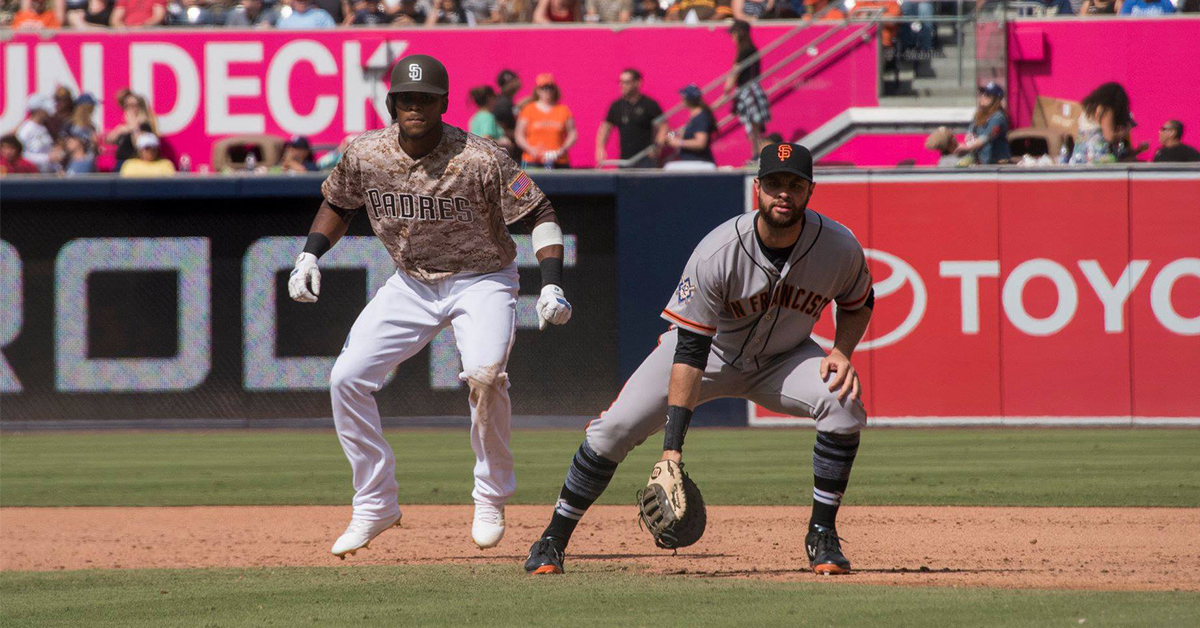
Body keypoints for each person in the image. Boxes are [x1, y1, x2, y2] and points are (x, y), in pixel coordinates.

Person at [524, 142, 874, 576]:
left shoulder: (838, 247)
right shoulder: (718, 251)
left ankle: (822, 535)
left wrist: (842, 351)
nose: (784, 193)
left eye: (795, 184)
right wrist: (672, 451)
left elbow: (859, 301)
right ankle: (552, 540)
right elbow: (690, 351)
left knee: (842, 402)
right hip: (707, 354)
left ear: (810, 191)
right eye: (775, 183)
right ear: (758, 189)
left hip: (784, 359)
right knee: (613, 430)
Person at [289, 54, 572, 559]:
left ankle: (490, 495)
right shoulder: (365, 153)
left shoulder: (482, 157)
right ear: (391, 103)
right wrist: (310, 253)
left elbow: (539, 211)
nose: (414, 107)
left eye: (425, 98)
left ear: (443, 103)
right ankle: (375, 501)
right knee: (346, 379)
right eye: (406, 99)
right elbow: (338, 202)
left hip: (481, 279)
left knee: (485, 376)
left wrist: (550, 284)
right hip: (412, 283)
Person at [596, 68, 666, 168]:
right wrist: (600, 148)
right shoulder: (616, 106)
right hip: (625, 160)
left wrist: (659, 146)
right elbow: (605, 128)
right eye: (620, 82)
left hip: (646, 159)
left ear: (637, 83)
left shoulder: (650, 104)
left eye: (626, 82)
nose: (622, 85)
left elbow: (666, 129)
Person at [726, 20, 772, 162]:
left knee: (754, 128)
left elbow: (735, 72)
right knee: (753, 128)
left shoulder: (746, 50)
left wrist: (727, 89)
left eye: (733, 33)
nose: (732, 37)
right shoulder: (751, 49)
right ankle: (756, 156)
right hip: (748, 90)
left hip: (748, 90)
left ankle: (758, 156)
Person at [515, 73, 577, 169]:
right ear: (538, 90)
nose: (547, 91)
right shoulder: (528, 109)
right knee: (529, 184)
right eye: (544, 88)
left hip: (558, 160)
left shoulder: (563, 110)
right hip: (533, 161)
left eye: (550, 87)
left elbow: (572, 133)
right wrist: (530, 150)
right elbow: (519, 134)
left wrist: (561, 150)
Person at [1070, 82, 1131, 165]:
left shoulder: (1089, 108)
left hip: (1079, 157)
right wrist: (1125, 131)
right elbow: (1109, 136)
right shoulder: (1106, 110)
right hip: (1096, 157)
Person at [955, 82, 1011, 165]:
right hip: (982, 161)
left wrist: (968, 147)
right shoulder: (978, 114)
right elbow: (971, 132)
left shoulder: (999, 117)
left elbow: (986, 137)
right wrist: (968, 139)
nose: (983, 97)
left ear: (996, 100)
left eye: (987, 95)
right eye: (982, 93)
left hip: (998, 162)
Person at [665, 84, 716, 168]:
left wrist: (679, 143)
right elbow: (677, 134)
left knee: (669, 167)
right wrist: (670, 136)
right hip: (691, 163)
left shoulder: (701, 117)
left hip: (699, 164)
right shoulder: (693, 118)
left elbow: (700, 143)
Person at [106, 90, 157, 171]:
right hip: (120, 164)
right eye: (127, 106)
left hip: (134, 166)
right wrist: (120, 130)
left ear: (140, 107)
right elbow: (108, 139)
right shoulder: (125, 127)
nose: (129, 109)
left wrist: (133, 127)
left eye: (132, 105)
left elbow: (140, 144)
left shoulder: (144, 125)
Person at [492, 70, 529, 163]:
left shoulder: (507, 102)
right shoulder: (502, 104)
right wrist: (522, 134)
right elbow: (501, 129)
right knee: (519, 178)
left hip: (511, 153)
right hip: (508, 154)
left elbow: (515, 108)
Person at [16, 95, 56, 173]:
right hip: (34, 175)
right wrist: (46, 158)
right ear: (39, 111)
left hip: (48, 175)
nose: (48, 113)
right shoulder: (26, 129)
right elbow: (21, 154)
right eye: (45, 110)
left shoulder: (45, 128)